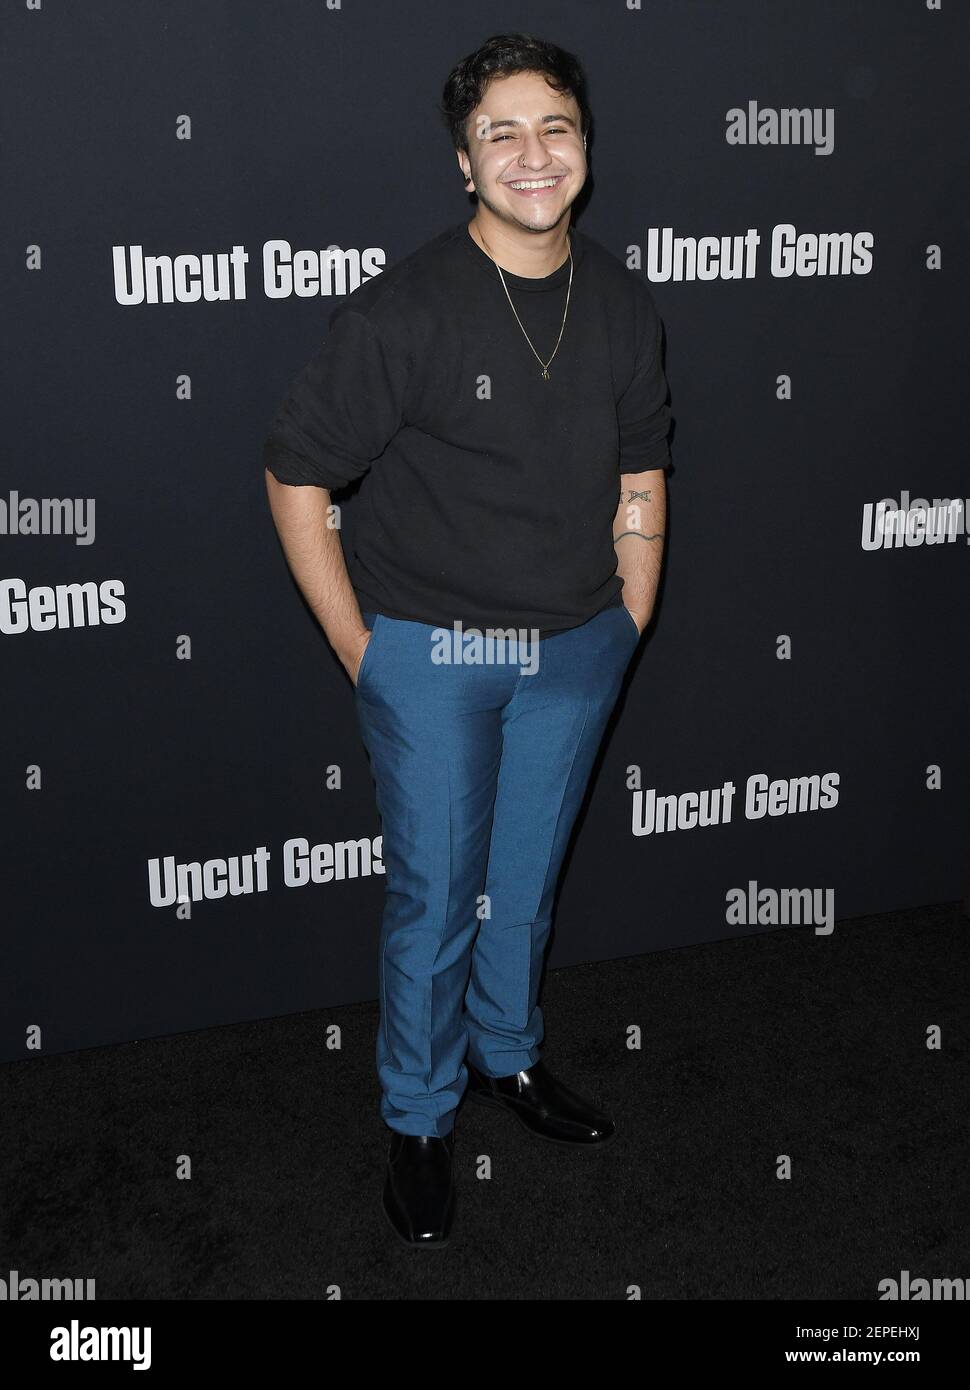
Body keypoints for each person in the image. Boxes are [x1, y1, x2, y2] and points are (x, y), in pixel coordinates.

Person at [262, 32, 673, 1249]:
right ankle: (421, 1119)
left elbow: (641, 465)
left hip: (576, 649)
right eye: (501, 131)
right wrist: (363, 649)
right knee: (436, 898)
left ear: (585, 148)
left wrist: (629, 616)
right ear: (463, 161)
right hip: (430, 658)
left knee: (527, 885)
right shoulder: (406, 308)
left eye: (554, 126)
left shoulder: (621, 302)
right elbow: (296, 474)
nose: (531, 153)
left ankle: (508, 1058)